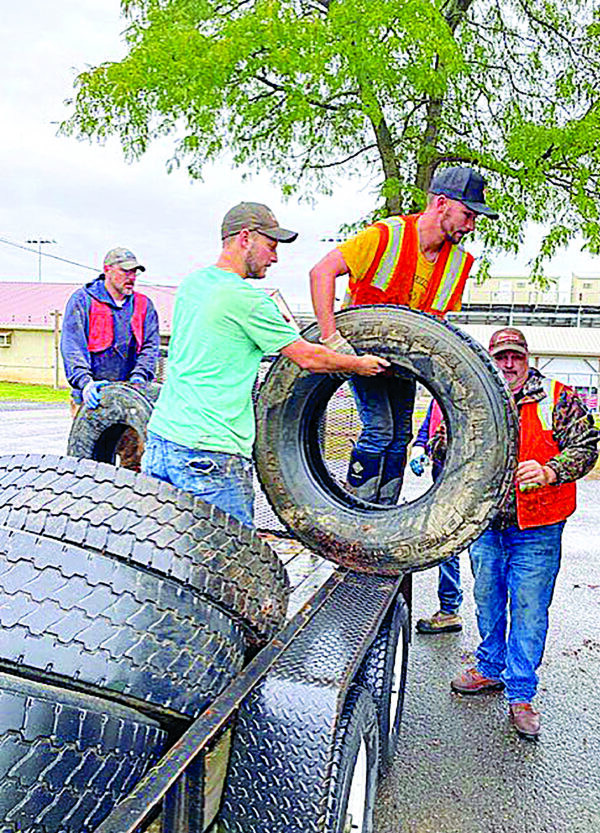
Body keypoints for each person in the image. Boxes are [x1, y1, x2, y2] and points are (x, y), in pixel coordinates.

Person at [142, 202, 390, 528]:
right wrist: (357, 364)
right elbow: (308, 357)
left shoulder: (193, 284)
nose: (275, 257)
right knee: (233, 566)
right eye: (271, 246)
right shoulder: (248, 300)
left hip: (162, 441)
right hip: (210, 455)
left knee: (168, 556)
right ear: (245, 238)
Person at [310, 166, 498, 504]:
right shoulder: (386, 236)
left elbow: (435, 325)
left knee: (401, 436)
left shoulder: (457, 262)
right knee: (379, 429)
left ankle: (385, 513)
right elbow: (322, 271)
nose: (471, 226)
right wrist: (331, 340)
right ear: (442, 203)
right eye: (467, 215)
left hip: (402, 363)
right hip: (363, 354)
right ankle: (355, 507)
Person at [450, 327, 600, 740]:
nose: (509, 364)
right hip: (486, 525)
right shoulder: (474, 398)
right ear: (491, 360)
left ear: (527, 357)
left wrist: (551, 470)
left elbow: (586, 446)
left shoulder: (558, 396)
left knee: (530, 610)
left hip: (538, 526)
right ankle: (489, 668)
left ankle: (521, 693)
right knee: (488, 600)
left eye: (516, 356)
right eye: (501, 357)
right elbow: (446, 446)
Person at [61, 246, 160, 415]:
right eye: (125, 271)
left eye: (134, 272)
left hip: (132, 399)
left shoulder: (144, 306)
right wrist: (85, 383)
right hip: (93, 398)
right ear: (107, 270)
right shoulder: (83, 301)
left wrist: (139, 378)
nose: (131, 278)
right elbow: (73, 347)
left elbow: (150, 347)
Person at [410, 400, 463, 634]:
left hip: (467, 487)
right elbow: (426, 429)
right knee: (446, 549)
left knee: (482, 552)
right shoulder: (438, 398)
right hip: (442, 486)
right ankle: (449, 611)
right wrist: (419, 448)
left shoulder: (473, 398)